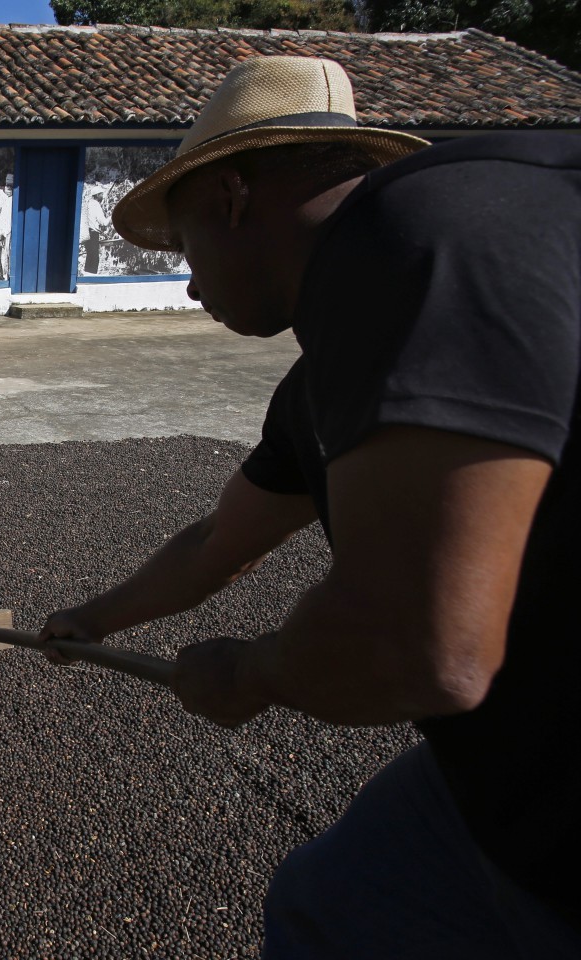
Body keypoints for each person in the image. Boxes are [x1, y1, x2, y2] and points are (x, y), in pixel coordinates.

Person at [42, 55, 580, 957]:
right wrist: (93, 618)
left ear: (232, 195)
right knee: (327, 905)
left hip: (566, 837)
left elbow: (425, 648)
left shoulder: (412, 234)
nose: (186, 285)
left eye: (181, 244)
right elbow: (221, 539)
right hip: (505, 768)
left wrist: (250, 674)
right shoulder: (326, 373)